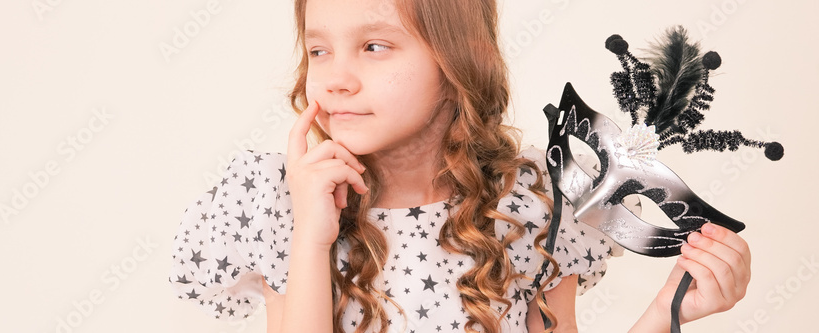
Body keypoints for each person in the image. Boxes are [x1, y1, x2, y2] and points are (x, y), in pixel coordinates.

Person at [169, 0, 751, 332]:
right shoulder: (284, 202)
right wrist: (310, 236)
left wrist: (669, 307)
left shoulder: (534, 206)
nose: (333, 78)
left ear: (456, 61)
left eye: (374, 47)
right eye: (318, 49)